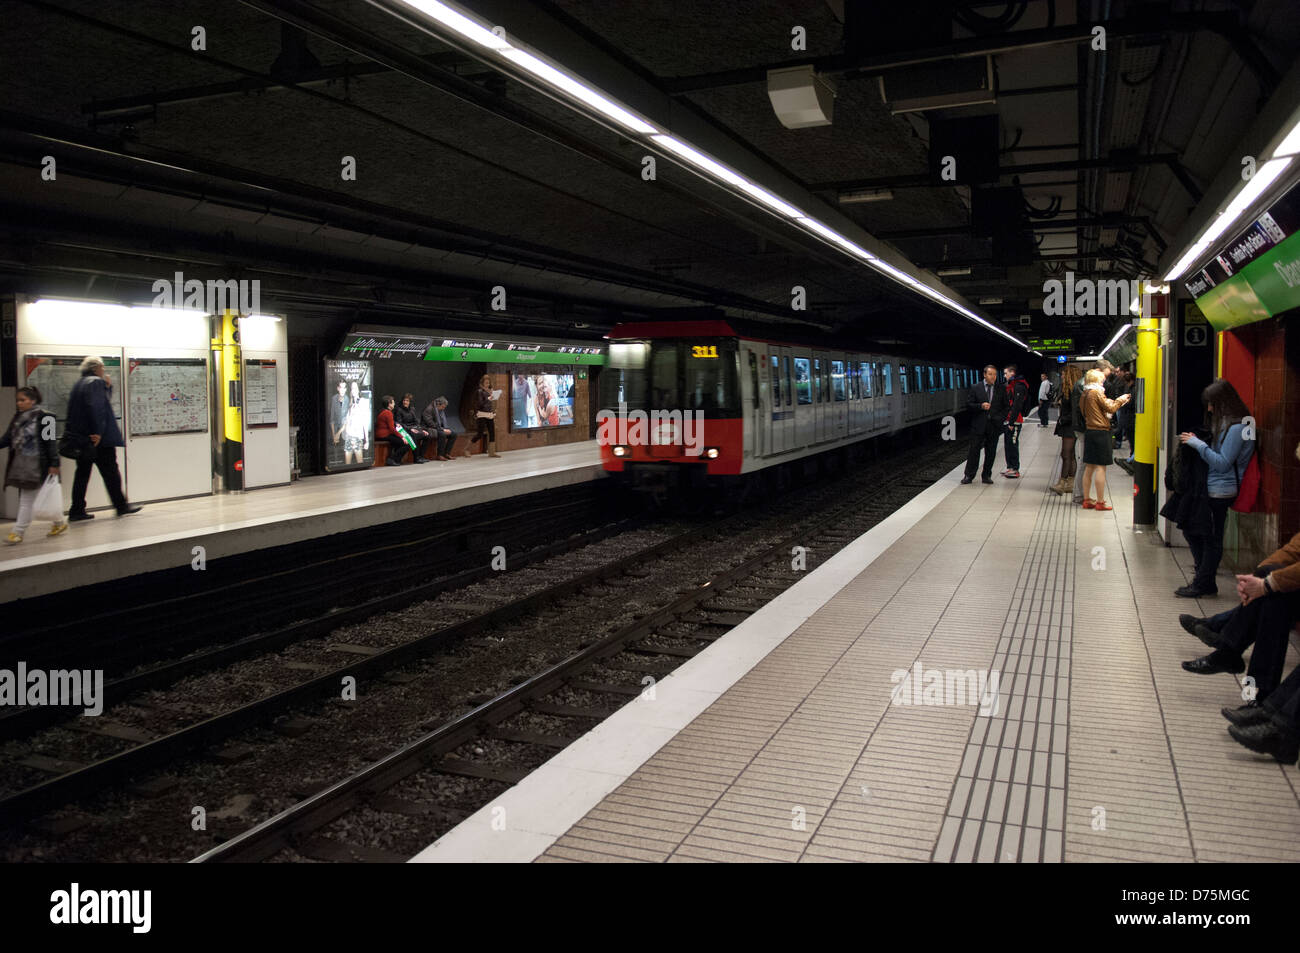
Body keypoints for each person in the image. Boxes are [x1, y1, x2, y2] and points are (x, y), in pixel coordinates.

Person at [1173, 379, 1255, 598]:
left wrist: (1197, 444)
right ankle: (1204, 576)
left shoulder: (1238, 427)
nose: (1209, 409)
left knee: (1210, 537)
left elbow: (1223, 462)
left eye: (1212, 404)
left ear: (1223, 402)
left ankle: (1204, 581)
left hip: (1221, 490)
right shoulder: (1234, 423)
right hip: (1211, 486)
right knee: (1193, 529)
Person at [65, 356, 139, 521]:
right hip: (99, 440)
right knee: (111, 472)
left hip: (82, 438)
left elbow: (96, 404)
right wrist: (98, 432)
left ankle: (76, 509)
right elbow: (98, 408)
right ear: (96, 368)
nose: (103, 370)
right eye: (102, 367)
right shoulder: (95, 382)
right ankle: (121, 506)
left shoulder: (80, 383)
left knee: (82, 474)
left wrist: (108, 387)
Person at [2, 386, 68, 543]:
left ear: (33, 400)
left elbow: (50, 442)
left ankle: (17, 532)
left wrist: (54, 463)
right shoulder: (17, 418)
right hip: (22, 464)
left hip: (39, 465)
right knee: (36, 495)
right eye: (18, 400)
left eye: (23, 400)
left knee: (26, 499)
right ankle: (59, 523)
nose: (19, 403)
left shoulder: (47, 418)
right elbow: (7, 439)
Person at [1079, 368, 1130, 510]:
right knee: (1101, 468)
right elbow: (1111, 408)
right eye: (1101, 379)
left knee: (1089, 467)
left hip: (1090, 431)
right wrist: (1121, 399)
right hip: (1101, 432)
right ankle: (1100, 502)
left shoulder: (1085, 393)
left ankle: (1087, 499)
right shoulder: (1096, 393)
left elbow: (1085, 411)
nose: (1103, 381)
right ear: (1096, 380)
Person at [961, 365, 1008, 485]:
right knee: (974, 451)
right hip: (979, 424)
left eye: (995, 375)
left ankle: (986, 475)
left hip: (994, 425)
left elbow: (1006, 406)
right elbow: (968, 404)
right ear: (984, 375)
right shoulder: (976, 387)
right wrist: (980, 406)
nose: (994, 377)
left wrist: (1000, 419)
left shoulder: (1001, 388)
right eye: (991, 374)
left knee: (991, 451)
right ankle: (969, 475)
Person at [1050, 364, 1082, 495]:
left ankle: (1062, 483)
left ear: (1069, 375)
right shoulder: (1071, 390)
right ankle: (1070, 482)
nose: (1062, 377)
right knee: (1071, 454)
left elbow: (1075, 411)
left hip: (1069, 426)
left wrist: (1064, 419)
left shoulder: (1074, 392)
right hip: (1069, 425)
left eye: (1063, 374)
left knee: (1066, 454)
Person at [1000, 364, 1029, 479]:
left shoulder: (1019, 386)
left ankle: (1015, 468)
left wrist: (1011, 422)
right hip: (1009, 420)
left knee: (1013, 444)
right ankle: (1010, 467)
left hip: (1015, 421)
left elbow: (1017, 405)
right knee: (1008, 444)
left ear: (1012, 373)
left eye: (1006, 373)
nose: (1004, 375)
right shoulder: (1013, 385)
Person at [467, 375, 500, 458]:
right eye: (486, 383)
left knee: (492, 433)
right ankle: (466, 449)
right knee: (480, 434)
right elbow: (480, 404)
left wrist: (494, 409)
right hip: (481, 414)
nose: (487, 384)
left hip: (489, 414)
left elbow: (493, 403)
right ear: (482, 383)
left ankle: (492, 452)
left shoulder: (491, 391)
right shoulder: (480, 391)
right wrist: (489, 398)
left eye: (488, 383)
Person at [394, 393, 429, 464]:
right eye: (404, 400)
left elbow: (416, 421)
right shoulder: (399, 410)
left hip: (413, 428)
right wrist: (410, 429)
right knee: (413, 436)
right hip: (404, 430)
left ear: (410, 402)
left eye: (407, 401)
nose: (405, 402)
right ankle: (416, 458)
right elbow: (399, 423)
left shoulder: (412, 409)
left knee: (427, 435)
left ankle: (421, 456)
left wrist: (420, 430)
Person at [375, 395, 408, 465]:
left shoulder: (383, 411)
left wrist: (395, 424)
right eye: (393, 402)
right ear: (389, 404)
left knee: (397, 442)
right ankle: (392, 459)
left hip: (381, 434)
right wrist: (402, 437)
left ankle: (396, 460)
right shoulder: (388, 413)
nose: (394, 404)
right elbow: (392, 429)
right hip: (384, 435)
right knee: (406, 444)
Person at [422, 396, 457, 460]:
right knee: (442, 434)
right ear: (438, 404)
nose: (443, 408)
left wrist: (446, 428)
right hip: (427, 428)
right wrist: (442, 429)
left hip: (437, 428)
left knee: (454, 434)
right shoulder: (429, 409)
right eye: (443, 407)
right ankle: (440, 455)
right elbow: (430, 423)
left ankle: (447, 453)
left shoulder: (439, 410)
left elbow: (442, 422)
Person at [343, 381, 369, 465]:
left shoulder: (362, 401)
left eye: (355, 388)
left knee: (359, 462)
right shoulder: (350, 404)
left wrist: (367, 440)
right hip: (349, 436)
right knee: (347, 463)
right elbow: (347, 421)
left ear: (358, 390)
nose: (353, 390)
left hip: (357, 436)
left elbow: (365, 421)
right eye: (351, 388)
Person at [329, 379, 349, 464]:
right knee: (334, 446)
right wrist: (334, 434)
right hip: (335, 428)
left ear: (346, 389)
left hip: (345, 429)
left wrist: (338, 433)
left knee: (344, 446)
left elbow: (347, 419)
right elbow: (332, 418)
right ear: (338, 388)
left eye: (344, 388)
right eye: (341, 387)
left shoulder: (348, 399)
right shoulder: (334, 398)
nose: (342, 390)